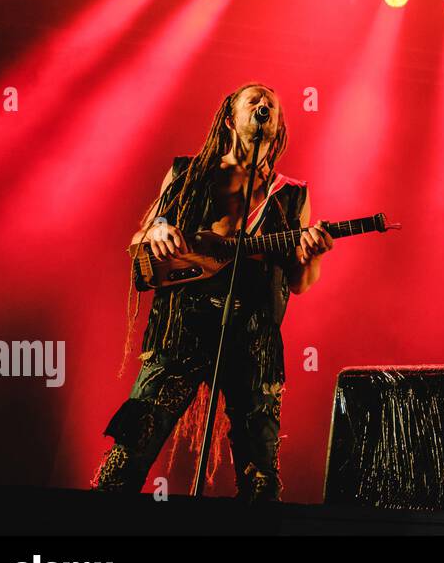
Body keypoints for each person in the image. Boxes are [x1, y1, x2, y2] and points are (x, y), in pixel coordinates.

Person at [92, 82, 333, 501]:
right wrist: (160, 230)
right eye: (254, 99)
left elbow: (300, 282)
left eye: (271, 105)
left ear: (278, 127)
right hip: (182, 326)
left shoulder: (292, 194)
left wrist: (312, 254)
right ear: (229, 118)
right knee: (130, 452)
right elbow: (143, 234)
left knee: (260, 478)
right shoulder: (188, 172)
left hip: (253, 335)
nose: (264, 106)